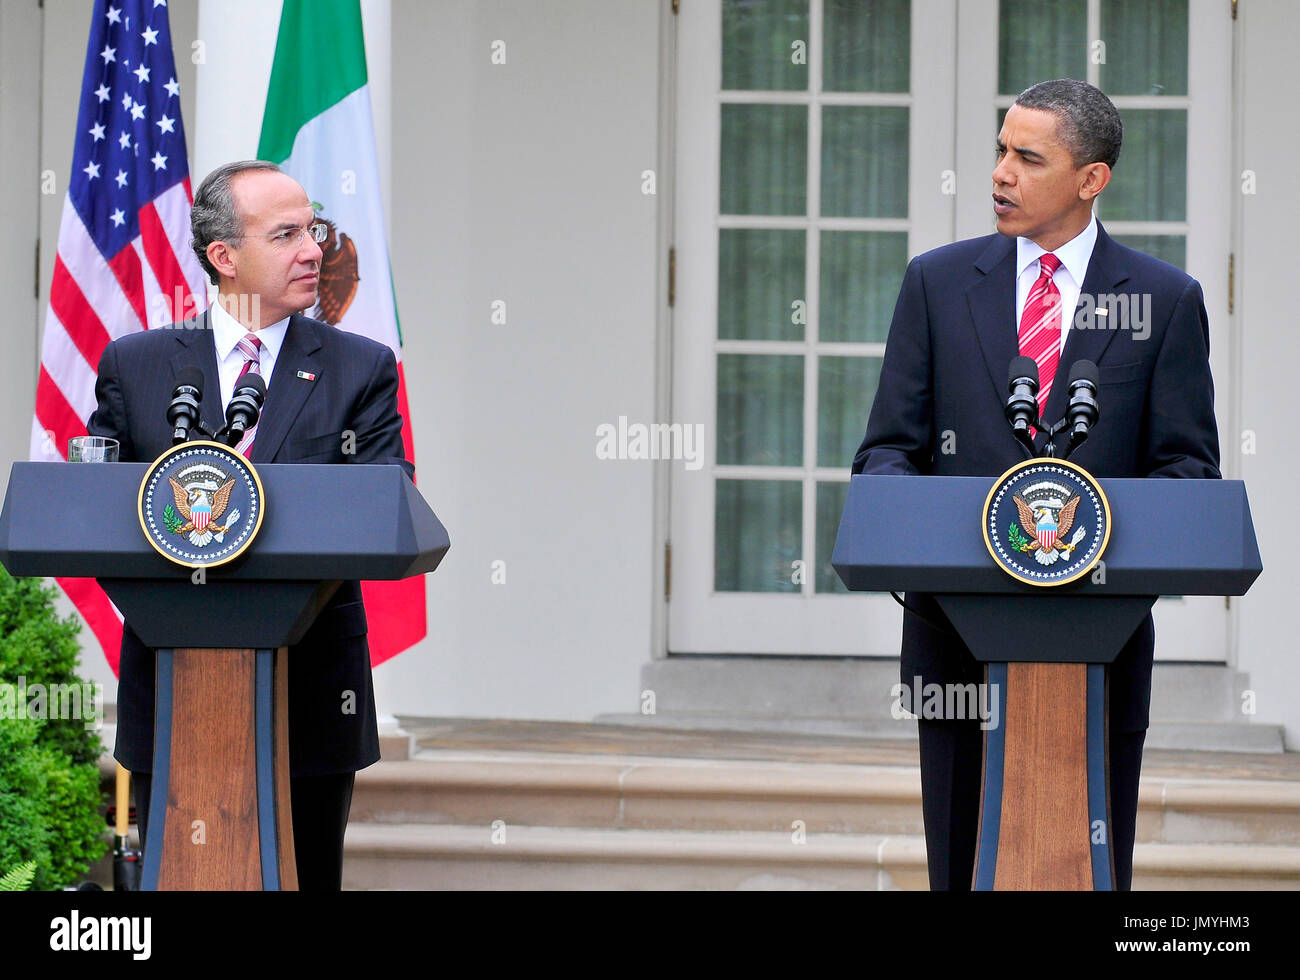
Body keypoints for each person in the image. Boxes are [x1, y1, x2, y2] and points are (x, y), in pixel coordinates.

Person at [851, 79, 1220, 890]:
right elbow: (885, 453)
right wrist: (925, 529)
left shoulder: (1163, 301)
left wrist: (1106, 543)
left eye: (1027, 157)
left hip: (1098, 647)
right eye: (999, 150)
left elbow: (1188, 473)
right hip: (957, 647)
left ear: (1092, 179)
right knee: (960, 862)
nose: (1000, 174)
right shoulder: (937, 284)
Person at [87, 159, 412, 890]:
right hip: (173, 688)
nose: (313, 251)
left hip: (311, 689)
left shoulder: (361, 369)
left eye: (314, 230)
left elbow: (385, 503)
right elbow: (93, 510)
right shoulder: (135, 367)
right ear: (224, 257)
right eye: (287, 233)